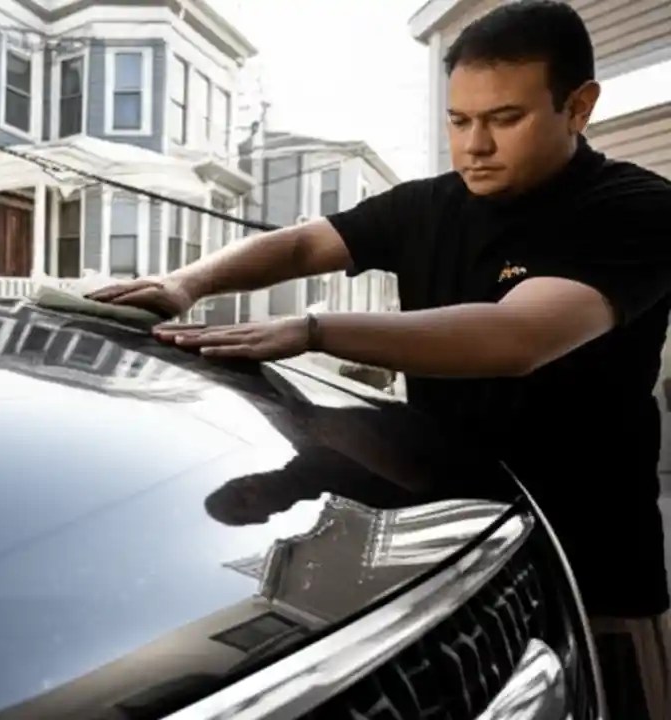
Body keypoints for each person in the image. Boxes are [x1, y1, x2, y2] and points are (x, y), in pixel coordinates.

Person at [87, 1, 671, 715]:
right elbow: (304, 244)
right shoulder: (428, 207)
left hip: (590, 566)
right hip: (443, 548)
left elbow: (516, 338)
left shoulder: (636, 209)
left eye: (504, 119)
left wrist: (313, 330)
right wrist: (187, 282)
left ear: (578, 107)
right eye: (459, 121)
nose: (474, 146)